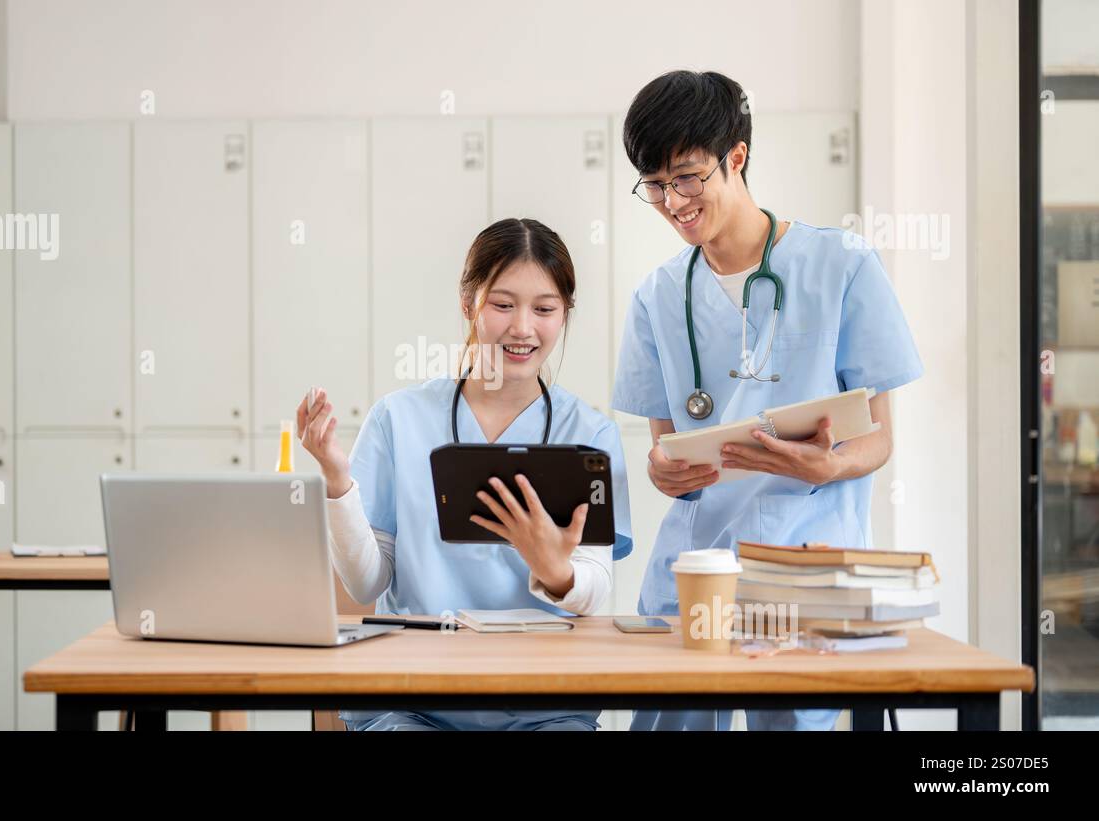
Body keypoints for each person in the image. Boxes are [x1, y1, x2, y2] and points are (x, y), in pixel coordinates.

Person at [613, 70, 923, 731]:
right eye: (656, 185)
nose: (673, 200)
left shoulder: (842, 265)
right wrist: (663, 469)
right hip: (693, 578)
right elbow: (664, 451)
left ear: (737, 157)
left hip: (802, 571)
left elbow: (878, 439)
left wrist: (829, 465)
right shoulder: (657, 296)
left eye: (687, 176)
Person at [297, 217, 633, 731]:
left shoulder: (591, 436)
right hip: (412, 697)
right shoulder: (398, 418)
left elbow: (594, 590)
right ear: (468, 305)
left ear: (564, 314)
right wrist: (338, 483)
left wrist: (556, 571)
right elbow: (368, 580)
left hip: (543, 705)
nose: (523, 328)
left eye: (544, 309)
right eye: (502, 305)